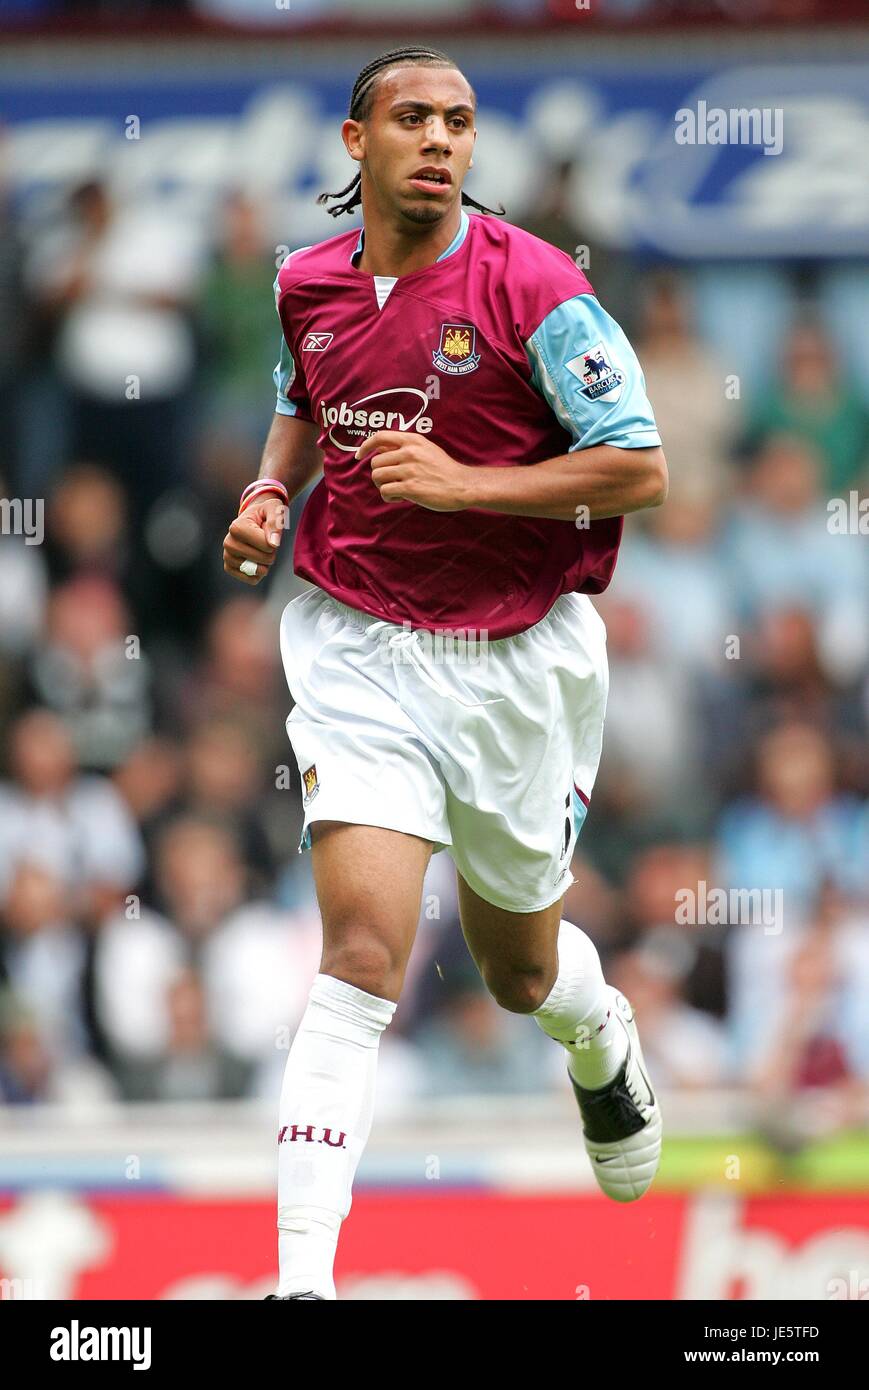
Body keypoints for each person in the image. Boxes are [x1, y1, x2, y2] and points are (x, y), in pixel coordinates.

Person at [221, 45, 668, 1302]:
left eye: (459, 122)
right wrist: (267, 488)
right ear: (354, 142)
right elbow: (303, 397)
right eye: (411, 117)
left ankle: (597, 1033)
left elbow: (637, 467)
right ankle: (300, 1282)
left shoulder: (537, 284)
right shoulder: (304, 279)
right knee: (361, 954)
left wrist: (470, 486)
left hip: (513, 659)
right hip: (358, 639)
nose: (439, 139)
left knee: (517, 970)